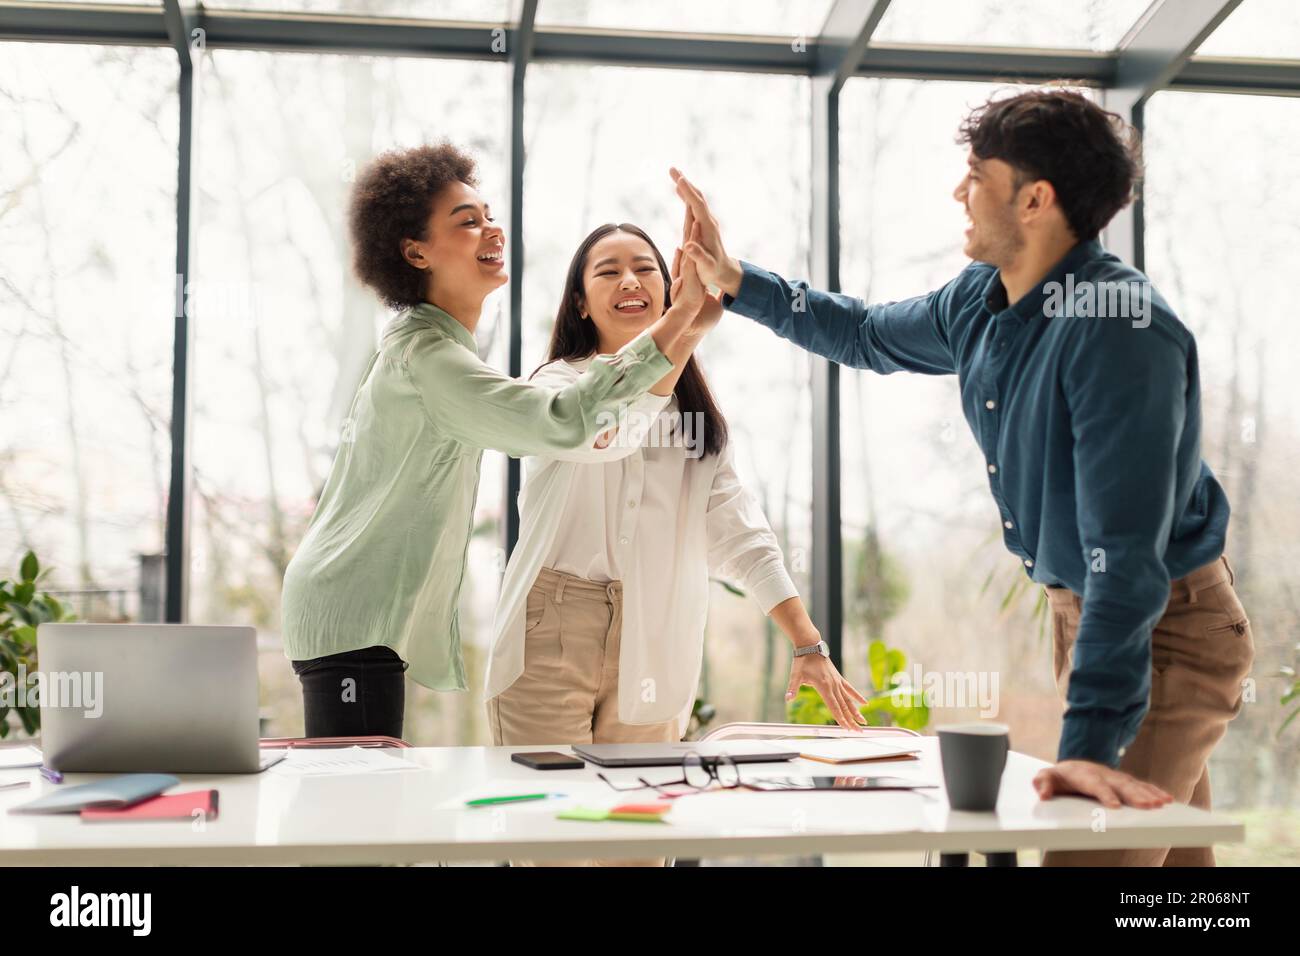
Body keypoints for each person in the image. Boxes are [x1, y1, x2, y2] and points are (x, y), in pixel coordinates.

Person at [671, 88, 1255, 867]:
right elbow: (868, 332)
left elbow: (1129, 569)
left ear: (1036, 199)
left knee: (1088, 854)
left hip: (1163, 629)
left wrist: (1081, 754)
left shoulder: (1119, 332)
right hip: (1090, 619)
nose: (959, 192)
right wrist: (736, 277)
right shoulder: (982, 299)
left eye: (977, 175)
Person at [280, 142, 717, 741]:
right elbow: (567, 421)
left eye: (489, 215)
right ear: (415, 252)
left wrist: (685, 323)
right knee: (356, 804)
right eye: (468, 221)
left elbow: (598, 429)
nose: (492, 229)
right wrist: (681, 316)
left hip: (358, 613)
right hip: (352, 612)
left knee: (363, 796)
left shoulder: (436, 348)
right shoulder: (428, 359)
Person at [485, 220, 867, 867]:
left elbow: (740, 533)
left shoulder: (698, 421)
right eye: (607, 271)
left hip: (658, 633)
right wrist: (685, 329)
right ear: (580, 301)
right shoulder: (554, 388)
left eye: (646, 269)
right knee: (551, 845)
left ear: (668, 291)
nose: (630, 280)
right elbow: (610, 429)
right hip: (551, 628)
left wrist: (808, 644)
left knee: (637, 848)